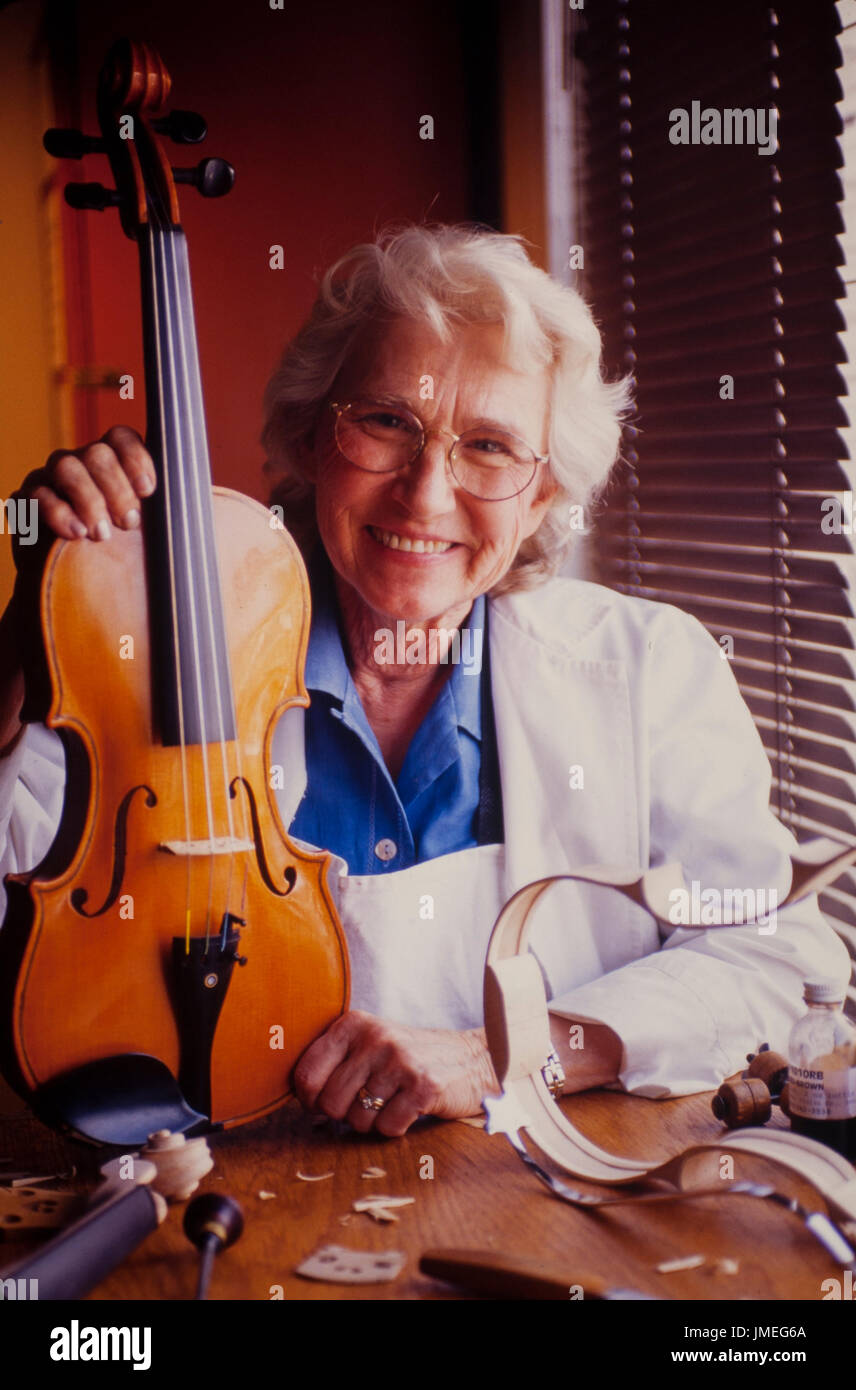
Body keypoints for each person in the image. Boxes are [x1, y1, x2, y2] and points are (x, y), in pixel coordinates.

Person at [0, 224, 848, 1137]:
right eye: (387, 421)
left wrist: (507, 1051)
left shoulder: (649, 668)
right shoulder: (145, 642)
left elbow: (777, 953)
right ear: (307, 436)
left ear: (542, 499)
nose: (426, 494)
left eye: (489, 446)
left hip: (537, 1210)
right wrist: (36, 626)